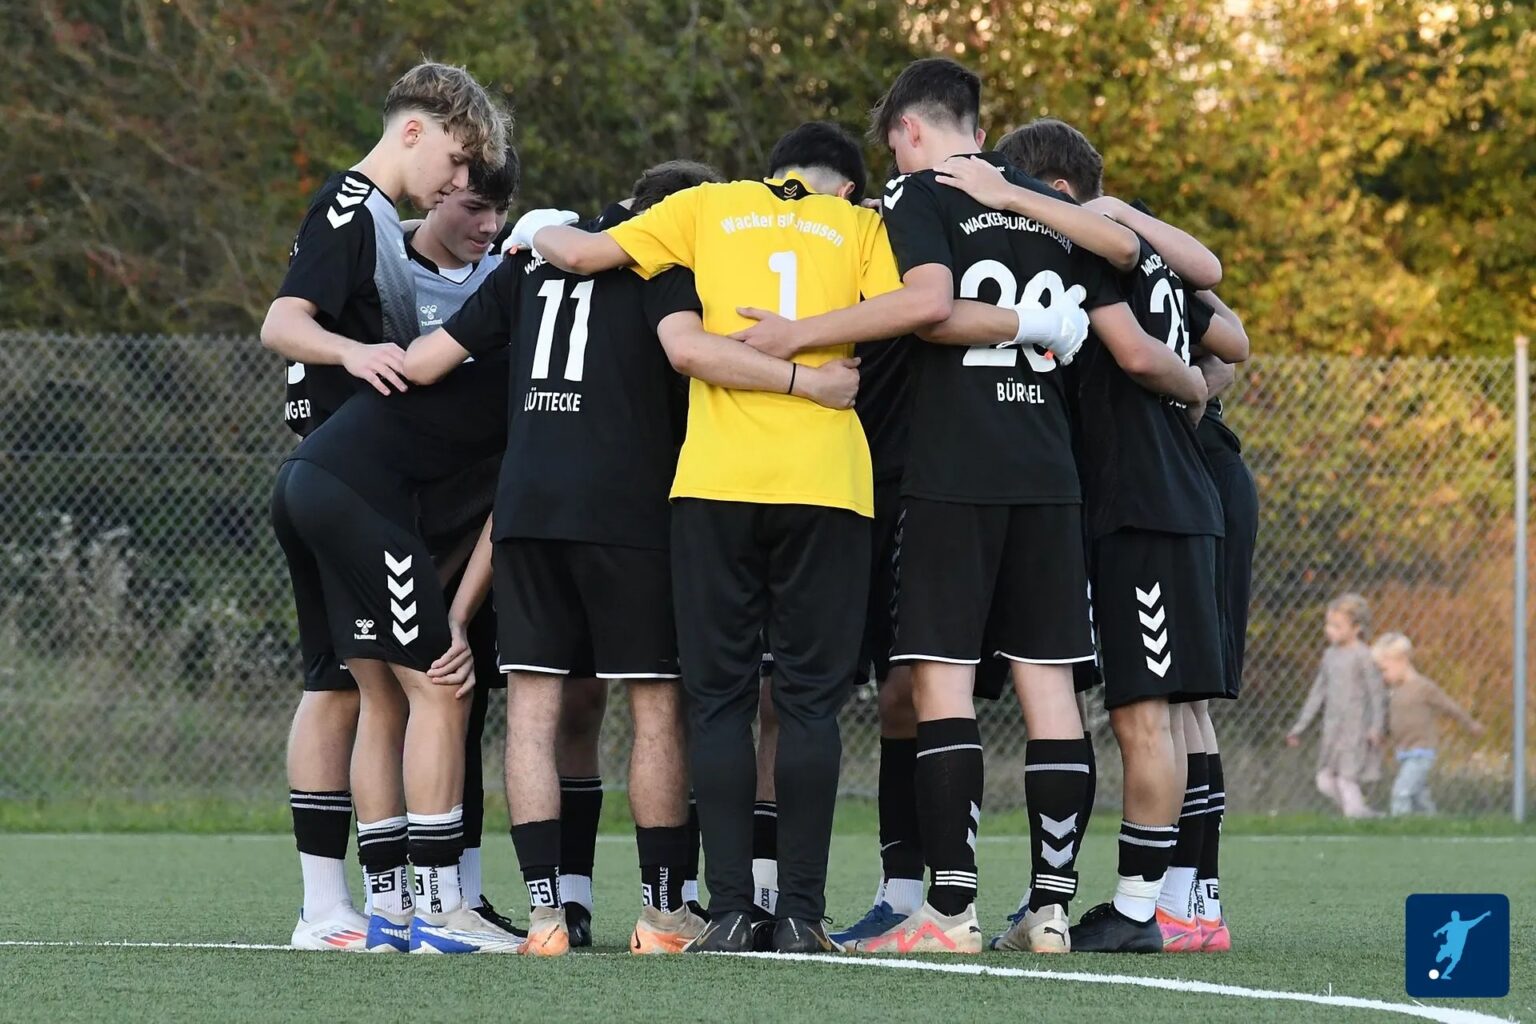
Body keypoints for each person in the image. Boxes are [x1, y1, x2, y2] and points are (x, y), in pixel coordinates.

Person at [409, 158, 861, 955]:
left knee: (533, 711)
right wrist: (804, 381)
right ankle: (661, 912)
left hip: (526, 512)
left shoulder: (527, 263)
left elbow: (427, 364)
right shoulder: (664, 270)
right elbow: (693, 352)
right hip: (628, 513)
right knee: (656, 707)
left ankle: (547, 914)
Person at [522, 121, 951, 954]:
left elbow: (575, 256)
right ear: (846, 185)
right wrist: (811, 340)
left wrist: (533, 225)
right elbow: (920, 304)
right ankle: (799, 913)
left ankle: (724, 912)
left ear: (771, 172)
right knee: (808, 705)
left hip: (715, 482)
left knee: (715, 701)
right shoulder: (860, 226)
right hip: (829, 482)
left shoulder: (707, 207)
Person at [823, 59, 1177, 956]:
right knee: (1049, 686)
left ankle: (949, 912)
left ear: (906, 130)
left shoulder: (915, 198)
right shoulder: (1040, 200)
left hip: (954, 470)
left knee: (941, 681)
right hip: (1049, 471)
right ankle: (1050, 908)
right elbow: (1126, 266)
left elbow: (927, 311)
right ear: (978, 125)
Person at [935, 115, 1226, 954]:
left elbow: (1138, 350)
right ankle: (1172, 901)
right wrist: (1195, 383)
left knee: (1146, 715)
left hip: (1146, 501)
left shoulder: (1101, 243)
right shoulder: (1134, 236)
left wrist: (1179, 383)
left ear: (1054, 193)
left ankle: (1141, 910)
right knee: (1167, 714)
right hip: (1163, 496)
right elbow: (1220, 312)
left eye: (1027, 199)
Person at [258, 61, 507, 951]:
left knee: (345, 687)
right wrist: (354, 356)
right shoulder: (347, 205)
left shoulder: (379, 226)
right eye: (456, 159)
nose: (459, 182)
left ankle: (349, 909)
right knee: (423, 682)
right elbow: (282, 323)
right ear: (415, 130)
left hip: (344, 479)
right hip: (353, 481)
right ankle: (416, 909)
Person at [1286, 593, 1387, 819]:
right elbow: (1317, 692)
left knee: (1346, 778)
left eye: (1337, 626)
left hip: (1356, 728)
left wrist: (1376, 726)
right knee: (1324, 780)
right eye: (1328, 624)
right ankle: (1361, 814)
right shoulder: (1329, 655)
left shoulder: (1363, 656)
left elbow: (1376, 694)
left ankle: (1357, 817)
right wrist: (1299, 727)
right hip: (1332, 729)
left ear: (1356, 627)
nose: (1329, 630)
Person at [1372, 632, 1484, 816]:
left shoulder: (1423, 687)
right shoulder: (1393, 691)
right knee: (1419, 798)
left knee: (1401, 792)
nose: (1382, 676)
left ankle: (1401, 830)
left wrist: (1469, 723)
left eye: (1384, 670)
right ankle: (1432, 825)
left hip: (1421, 752)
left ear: (1402, 660)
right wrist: (1382, 734)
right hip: (1404, 752)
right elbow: (1392, 718)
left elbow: (1449, 706)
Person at [1433, 910, 1492, 980]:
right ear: (1452, 917)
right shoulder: (1450, 924)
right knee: (1438, 960)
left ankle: (1444, 975)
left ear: (1458, 916)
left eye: (1455, 916)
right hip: (1448, 946)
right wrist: (1436, 932)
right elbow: (1441, 929)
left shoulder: (1464, 924)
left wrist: (1484, 915)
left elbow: (1476, 920)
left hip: (1457, 949)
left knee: (1454, 961)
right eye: (1453, 916)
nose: (1454, 917)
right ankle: (1443, 952)